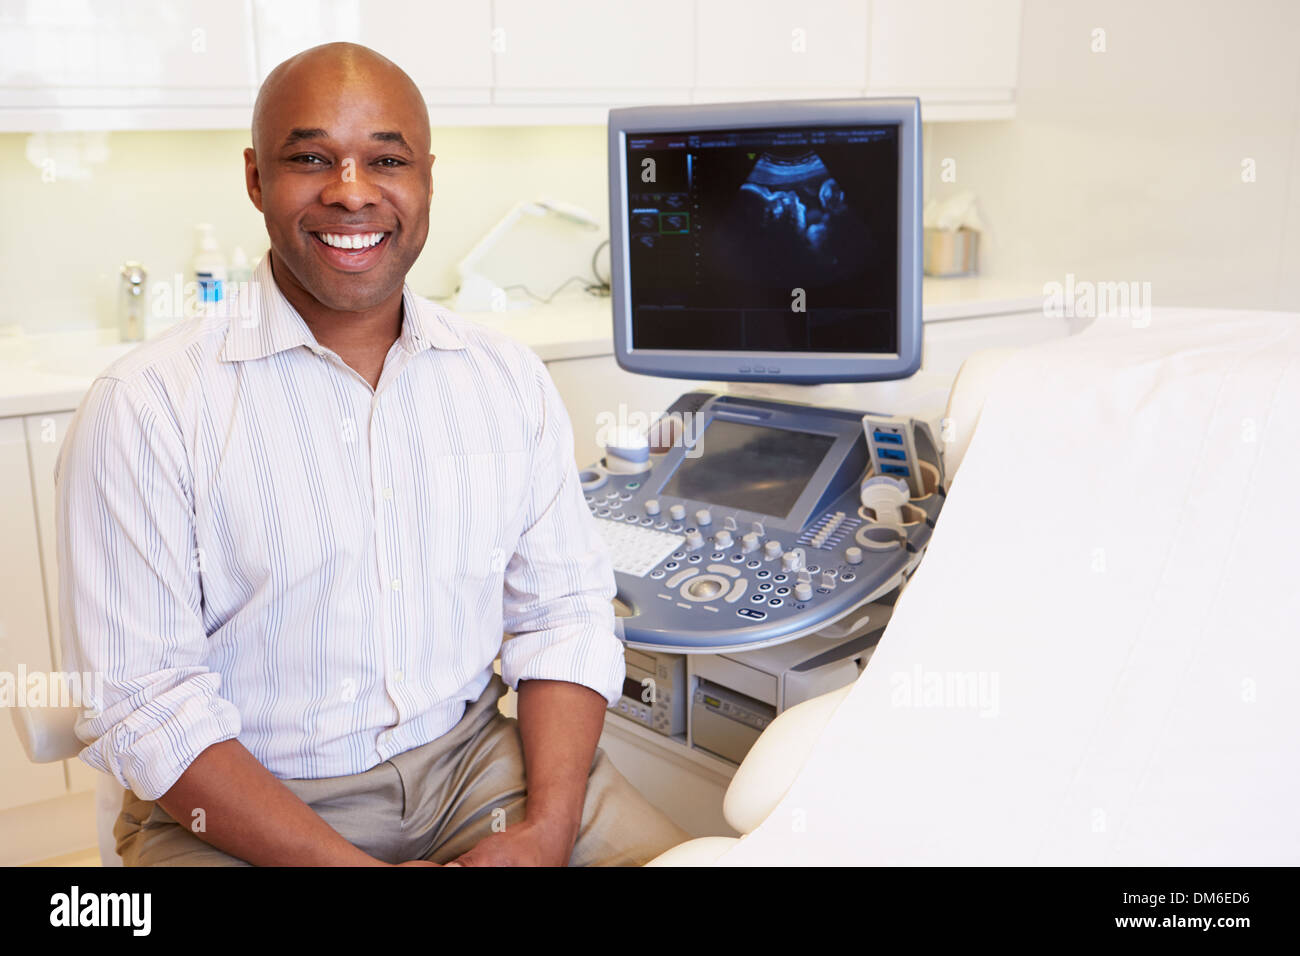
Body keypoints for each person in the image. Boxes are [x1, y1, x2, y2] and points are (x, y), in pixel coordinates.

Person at [55, 42, 688, 867]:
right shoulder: (145, 407)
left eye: (386, 160)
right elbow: (146, 705)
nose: (351, 191)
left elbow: (563, 615)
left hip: (476, 774)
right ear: (255, 179)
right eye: (310, 158)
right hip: (244, 806)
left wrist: (545, 832)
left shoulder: (506, 381)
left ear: (426, 180)